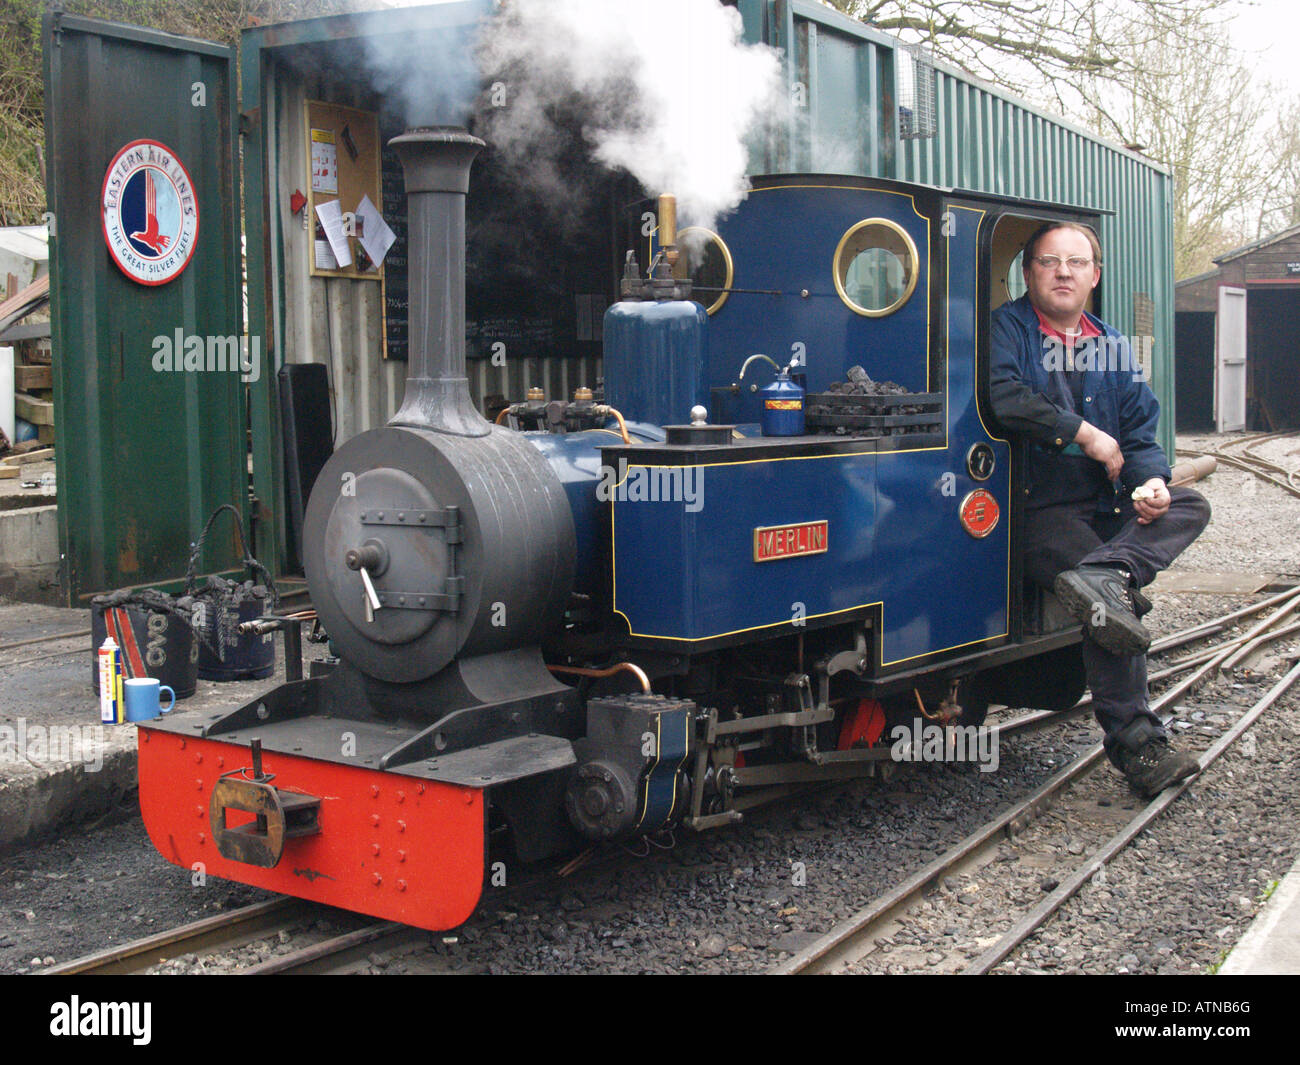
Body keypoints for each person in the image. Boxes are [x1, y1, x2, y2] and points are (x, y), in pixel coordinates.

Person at [990, 221, 1211, 797]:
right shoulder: (1002, 331)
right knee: (1110, 610)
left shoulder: (1111, 343)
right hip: (1038, 513)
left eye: (1077, 262)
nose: (1064, 272)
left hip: (1109, 506)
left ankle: (1109, 574)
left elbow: (1139, 431)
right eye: (1049, 261)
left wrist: (1151, 483)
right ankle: (1138, 746)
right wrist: (1083, 433)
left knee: (1188, 504)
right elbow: (1003, 398)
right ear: (1028, 270)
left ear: (1096, 274)